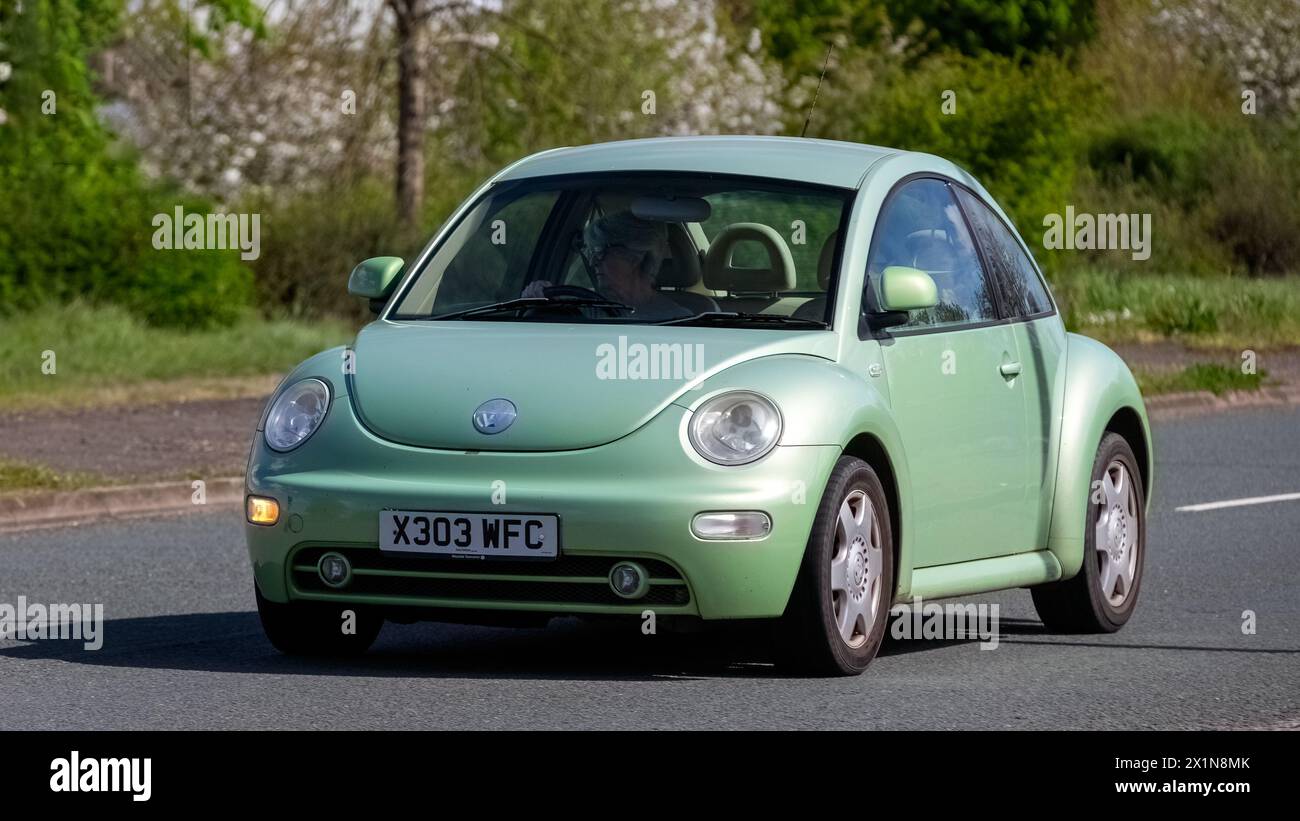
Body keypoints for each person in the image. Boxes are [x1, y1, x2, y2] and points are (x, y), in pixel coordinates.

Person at [522, 211, 691, 320]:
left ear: (635, 255)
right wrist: (535, 300)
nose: (593, 262)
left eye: (602, 252)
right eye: (591, 253)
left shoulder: (679, 320)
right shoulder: (584, 307)